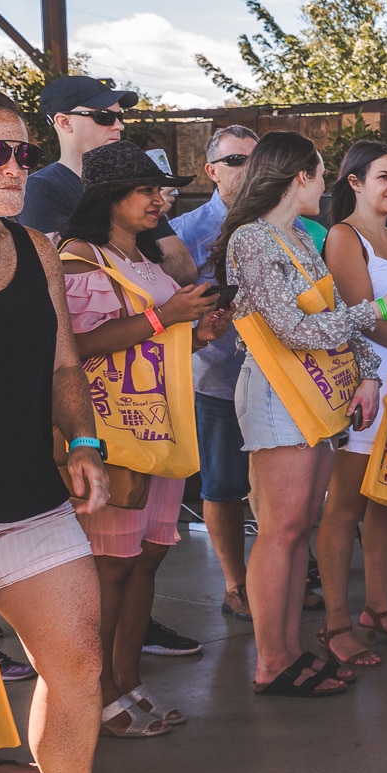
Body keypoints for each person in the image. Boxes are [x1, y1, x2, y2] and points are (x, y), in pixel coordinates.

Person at [0, 89, 208, 773]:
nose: (14, 169)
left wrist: (84, 443)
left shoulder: (35, 249)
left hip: (28, 498)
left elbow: (59, 363)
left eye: (19, 153)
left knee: (78, 664)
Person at [214, 132, 387, 699]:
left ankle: (289, 650)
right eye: (319, 174)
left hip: (313, 394)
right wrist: (380, 311)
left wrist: (363, 372)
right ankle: (273, 660)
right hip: (278, 393)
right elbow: (297, 330)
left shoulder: (296, 238)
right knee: (282, 531)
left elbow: (336, 315)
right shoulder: (253, 239)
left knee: (297, 529)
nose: (324, 184)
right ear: (297, 179)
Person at [58, 143, 228, 735]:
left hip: (158, 425)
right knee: (110, 568)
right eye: (146, 191)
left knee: (146, 560)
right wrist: (168, 316)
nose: (161, 200)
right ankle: (98, 695)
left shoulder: (144, 259)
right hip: (112, 432)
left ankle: (128, 682)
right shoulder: (78, 259)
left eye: (161, 190)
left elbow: (155, 341)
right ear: (109, 198)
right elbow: (73, 349)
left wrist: (199, 330)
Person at [312, 141, 387, 668]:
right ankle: (336, 621)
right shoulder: (344, 236)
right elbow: (366, 316)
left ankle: (379, 609)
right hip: (363, 386)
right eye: (383, 176)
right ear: (354, 182)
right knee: (345, 506)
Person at [171, 125, 259, 621]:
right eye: (234, 161)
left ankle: (281, 571)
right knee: (224, 485)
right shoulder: (185, 232)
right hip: (217, 376)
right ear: (210, 171)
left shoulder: (279, 225)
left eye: (253, 160)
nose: (246, 170)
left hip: (276, 378)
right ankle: (236, 584)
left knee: (274, 483)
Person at [18, 75, 198, 286]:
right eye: (104, 117)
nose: (119, 126)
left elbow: (183, 269)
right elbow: (66, 276)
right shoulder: (40, 188)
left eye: (120, 116)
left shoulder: (134, 184)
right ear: (64, 121)